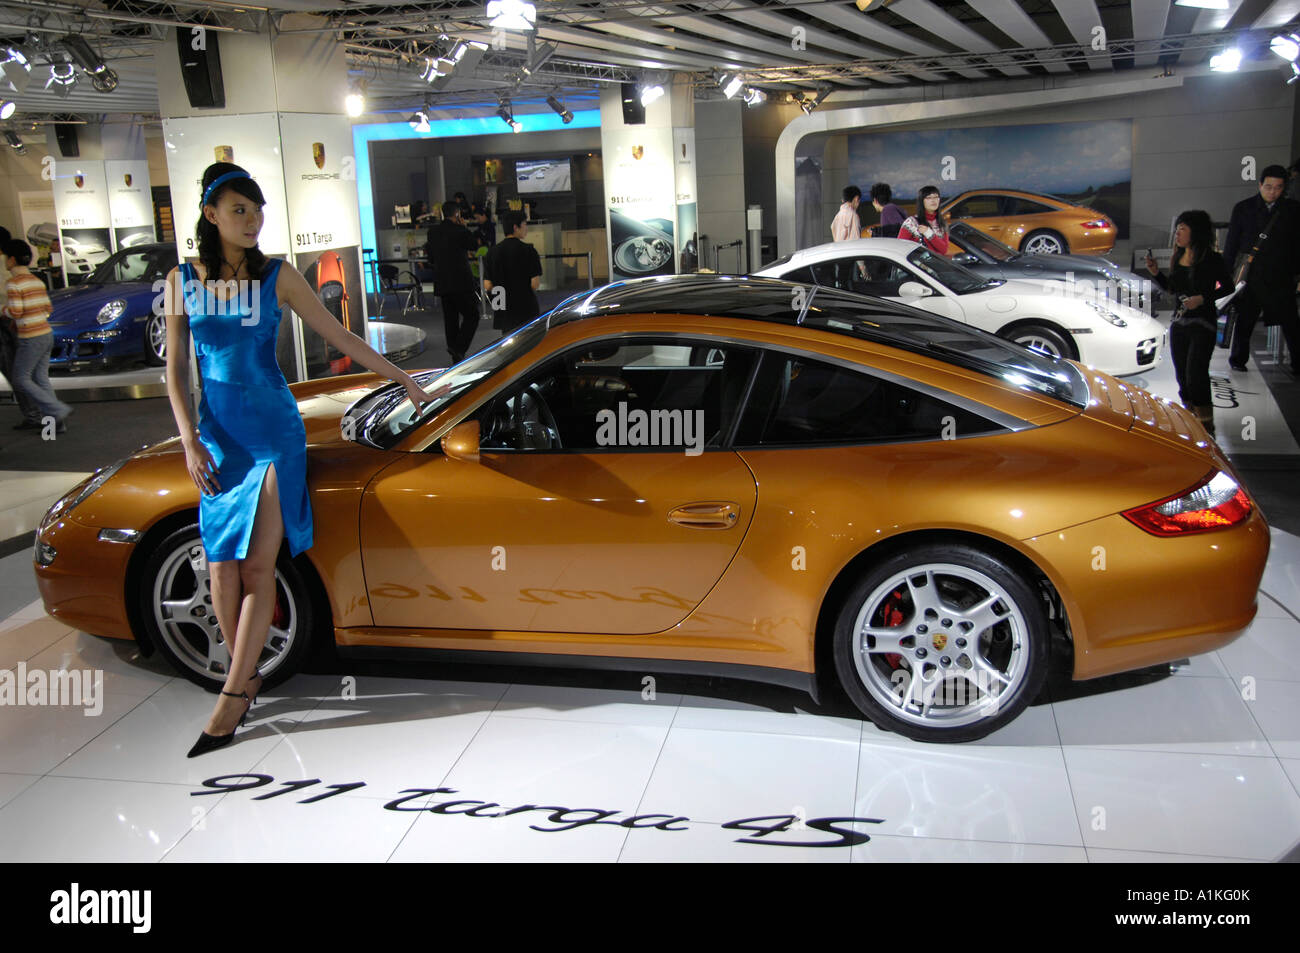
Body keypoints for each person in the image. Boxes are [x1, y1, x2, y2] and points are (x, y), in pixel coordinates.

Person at [167, 162, 443, 757]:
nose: (252, 220)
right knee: (221, 570)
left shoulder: (278, 276)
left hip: (272, 432)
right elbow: (174, 370)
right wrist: (189, 439)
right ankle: (245, 672)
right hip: (216, 437)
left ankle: (232, 699)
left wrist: (405, 378)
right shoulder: (180, 280)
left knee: (259, 569)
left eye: (258, 210)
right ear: (211, 215)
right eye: (239, 210)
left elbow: (340, 337)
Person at [1144, 211, 1231, 435]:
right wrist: (1156, 273)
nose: (1178, 233)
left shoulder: (1212, 259)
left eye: (1183, 228)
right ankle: (1191, 422)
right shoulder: (1178, 257)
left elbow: (1228, 287)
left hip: (1203, 323)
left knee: (1196, 375)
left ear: (1196, 232)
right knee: (1182, 377)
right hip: (1180, 324)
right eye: (1178, 228)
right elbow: (1172, 289)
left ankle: (1206, 427)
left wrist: (1203, 298)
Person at [1224, 164, 1300, 373]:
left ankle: (1297, 363)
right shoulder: (1243, 208)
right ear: (1260, 184)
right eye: (1268, 186)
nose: (1272, 191)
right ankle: (1238, 360)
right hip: (1251, 275)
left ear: (1284, 187)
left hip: (1281, 275)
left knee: (1291, 323)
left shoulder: (1292, 210)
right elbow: (1232, 244)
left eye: (1277, 187)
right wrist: (1224, 275)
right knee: (1245, 321)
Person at [2, 238, 72, 433]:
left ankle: (57, 409)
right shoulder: (36, 281)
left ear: (12, 260)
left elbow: (15, 311)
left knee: (21, 378)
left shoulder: (14, 283)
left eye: (6, 258)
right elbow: (48, 307)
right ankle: (56, 423)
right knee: (41, 378)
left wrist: (3, 310)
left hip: (30, 337)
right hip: (45, 333)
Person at [427, 199, 481, 363]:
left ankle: (454, 353)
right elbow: (473, 245)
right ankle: (459, 348)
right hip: (461, 282)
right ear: (457, 214)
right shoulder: (460, 230)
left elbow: (431, 256)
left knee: (450, 319)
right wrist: (464, 227)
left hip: (443, 282)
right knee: (472, 315)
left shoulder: (433, 232)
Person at [484, 210, 543, 336]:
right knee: (528, 342)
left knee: (509, 346)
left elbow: (487, 285)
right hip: (525, 305)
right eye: (524, 224)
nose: (526, 228)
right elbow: (535, 284)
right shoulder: (529, 250)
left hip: (502, 305)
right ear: (516, 227)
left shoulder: (492, 252)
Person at [899, 185, 950, 254]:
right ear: (922, 201)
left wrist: (929, 233)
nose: (933, 200)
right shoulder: (911, 222)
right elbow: (899, 247)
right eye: (928, 198)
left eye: (936, 197)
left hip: (936, 263)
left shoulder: (942, 223)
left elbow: (944, 250)